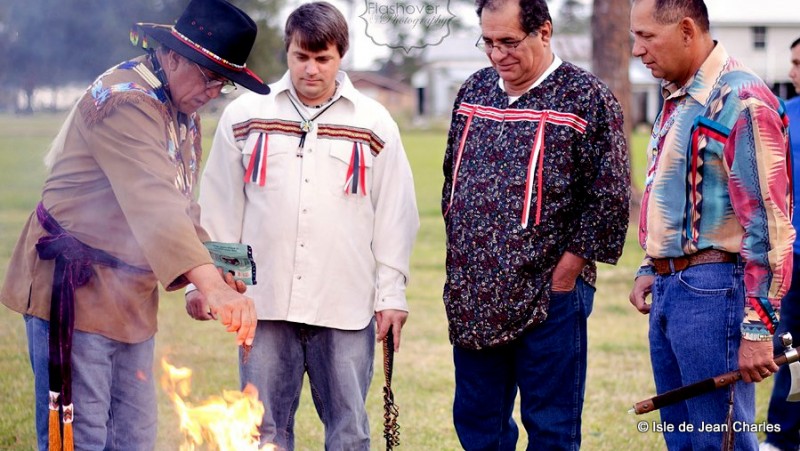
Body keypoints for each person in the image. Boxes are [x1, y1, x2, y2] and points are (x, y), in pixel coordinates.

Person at [0, 0, 269, 449]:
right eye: (209, 77)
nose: (213, 92)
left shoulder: (180, 109)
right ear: (174, 56)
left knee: (134, 438)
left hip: (129, 297)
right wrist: (215, 289)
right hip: (77, 293)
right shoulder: (126, 100)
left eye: (223, 84)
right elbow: (155, 205)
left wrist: (203, 283)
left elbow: (181, 205)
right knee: (80, 437)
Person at [184, 2, 419, 449]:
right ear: (288, 53)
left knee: (348, 431)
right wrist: (210, 284)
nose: (311, 69)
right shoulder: (245, 114)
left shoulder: (373, 122)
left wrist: (391, 294)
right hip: (263, 303)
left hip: (344, 304)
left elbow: (395, 214)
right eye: (300, 57)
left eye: (322, 58)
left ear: (341, 55)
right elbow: (220, 206)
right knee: (264, 430)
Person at [440, 0, 630, 448]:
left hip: (550, 297)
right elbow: (452, 177)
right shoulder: (474, 91)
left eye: (508, 41)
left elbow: (610, 197)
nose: (496, 54)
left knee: (551, 427)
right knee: (478, 422)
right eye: (487, 42)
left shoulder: (585, 96)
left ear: (544, 32)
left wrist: (564, 278)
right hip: (474, 295)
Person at [629, 0, 794, 449]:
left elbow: (769, 226)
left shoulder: (741, 100)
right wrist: (651, 265)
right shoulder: (677, 96)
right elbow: (674, 196)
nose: (637, 49)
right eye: (633, 36)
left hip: (715, 289)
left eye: (646, 36)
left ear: (686, 30)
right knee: (684, 438)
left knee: (716, 440)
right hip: (674, 288)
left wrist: (759, 329)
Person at [760, 36, 800, 451]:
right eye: (792, 62)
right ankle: (782, 436)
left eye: (799, 63)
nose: (792, 72)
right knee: (788, 349)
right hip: (794, 254)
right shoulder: (784, 116)